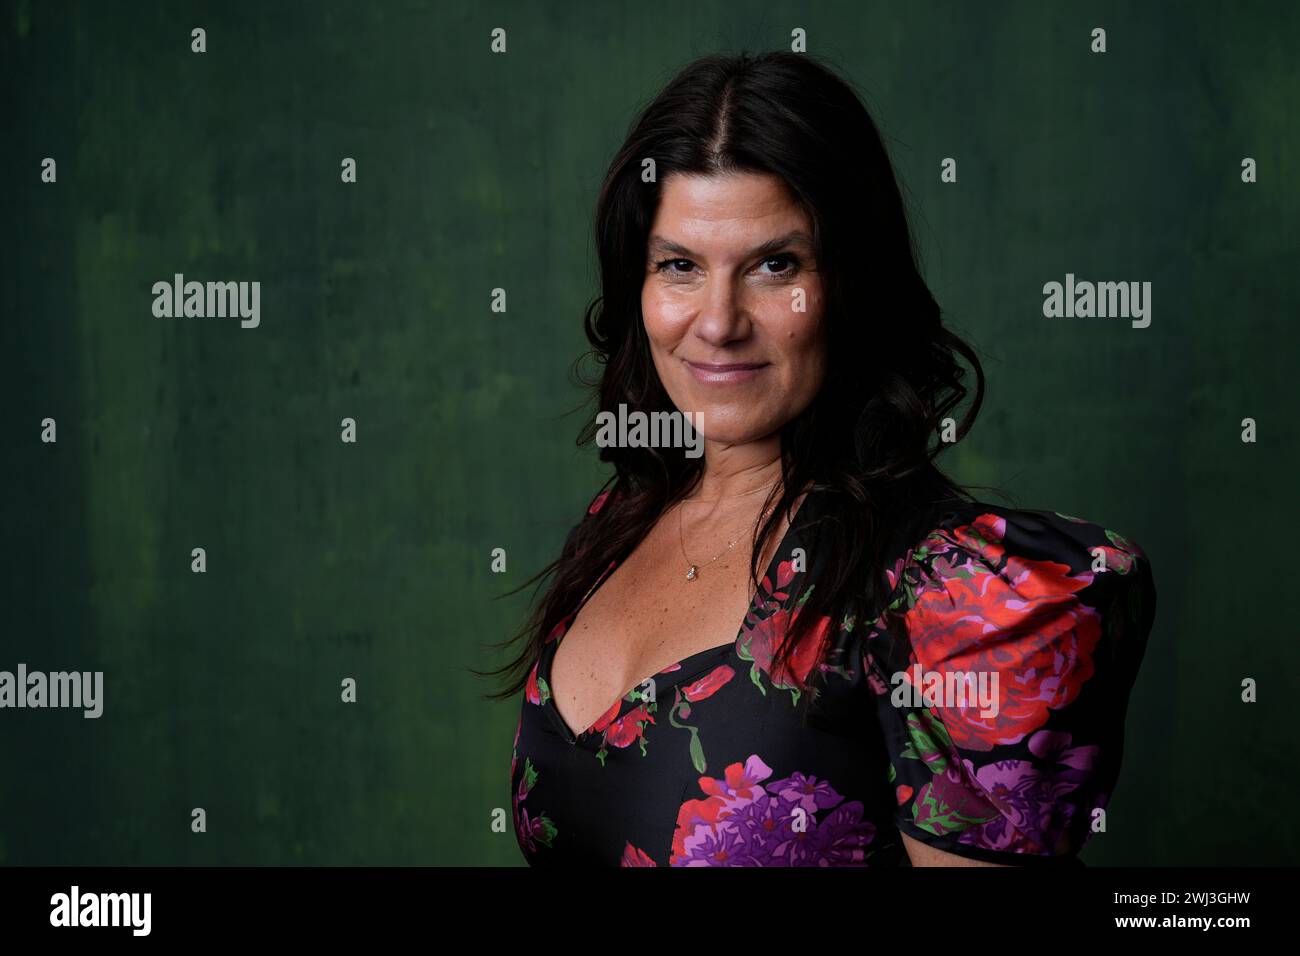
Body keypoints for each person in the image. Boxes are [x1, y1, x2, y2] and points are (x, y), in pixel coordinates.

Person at [487, 50, 1156, 866]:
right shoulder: (619, 526)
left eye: (776, 266)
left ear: (851, 282)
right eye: (680, 266)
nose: (719, 322)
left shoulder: (956, 597)